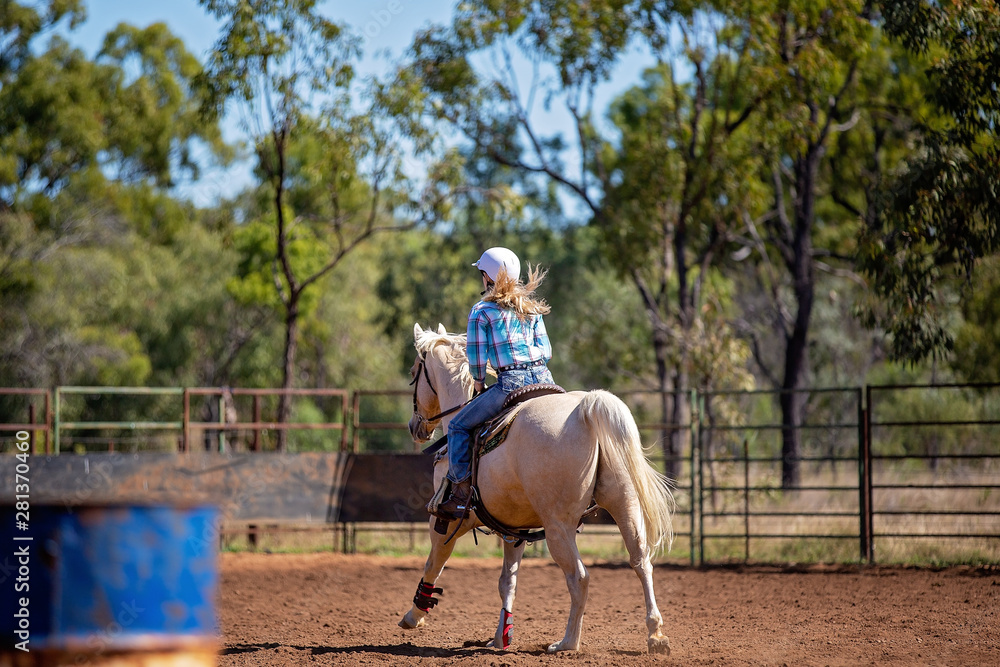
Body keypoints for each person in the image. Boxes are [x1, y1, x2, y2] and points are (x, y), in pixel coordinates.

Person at [432, 247, 555, 522]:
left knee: (458, 426)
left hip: (511, 384)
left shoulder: (481, 312)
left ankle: (461, 496)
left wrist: (478, 383)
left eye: (481, 274)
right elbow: (546, 351)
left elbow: (477, 360)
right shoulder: (532, 309)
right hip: (546, 380)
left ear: (488, 277)